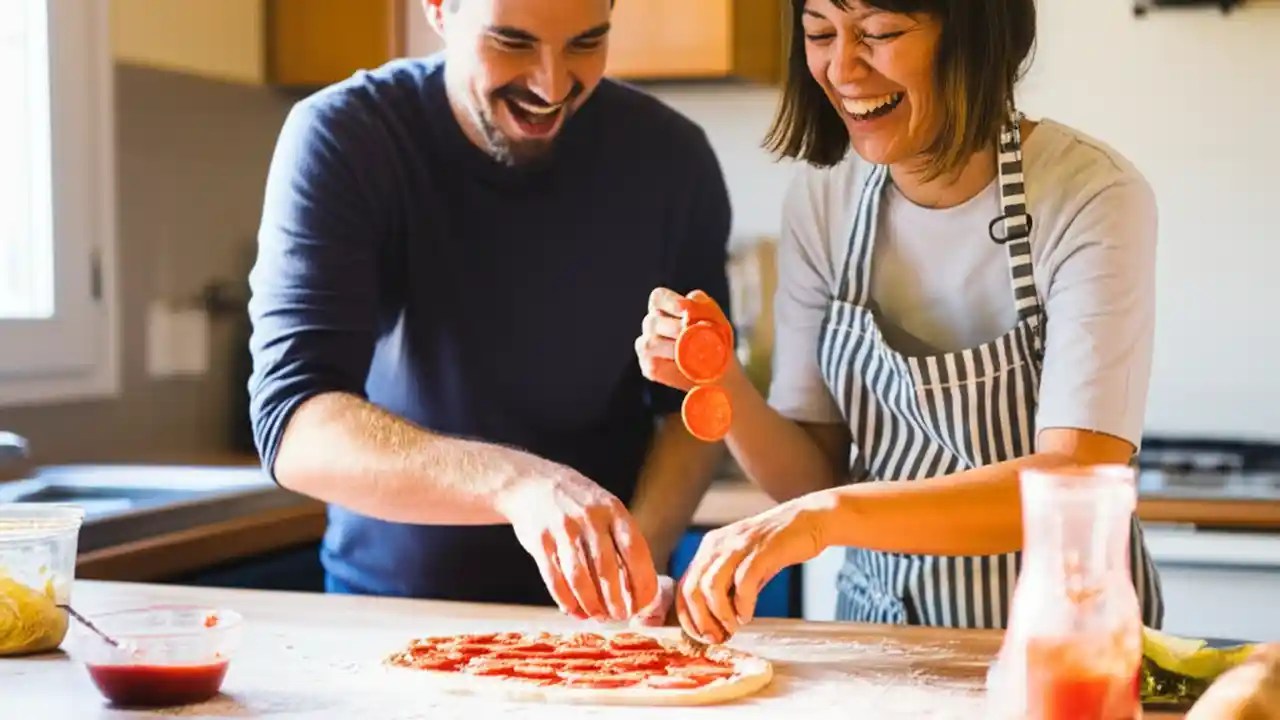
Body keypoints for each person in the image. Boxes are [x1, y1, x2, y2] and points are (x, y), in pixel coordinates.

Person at [636, 0, 1166, 643]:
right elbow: (809, 478)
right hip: (881, 643)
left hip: (1062, 650)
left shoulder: (1090, 194)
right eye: (819, 33)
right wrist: (719, 380)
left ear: (974, 32)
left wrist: (826, 516)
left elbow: (1074, 479)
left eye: (879, 33)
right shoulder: (823, 199)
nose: (841, 68)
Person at [246, 0, 733, 623]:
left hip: (602, 629)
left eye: (586, 43)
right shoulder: (345, 136)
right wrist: (518, 485)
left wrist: (634, 562)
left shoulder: (673, 159)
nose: (551, 85)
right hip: (390, 613)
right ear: (440, 11)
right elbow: (293, 425)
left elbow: (691, 412)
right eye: (512, 43)